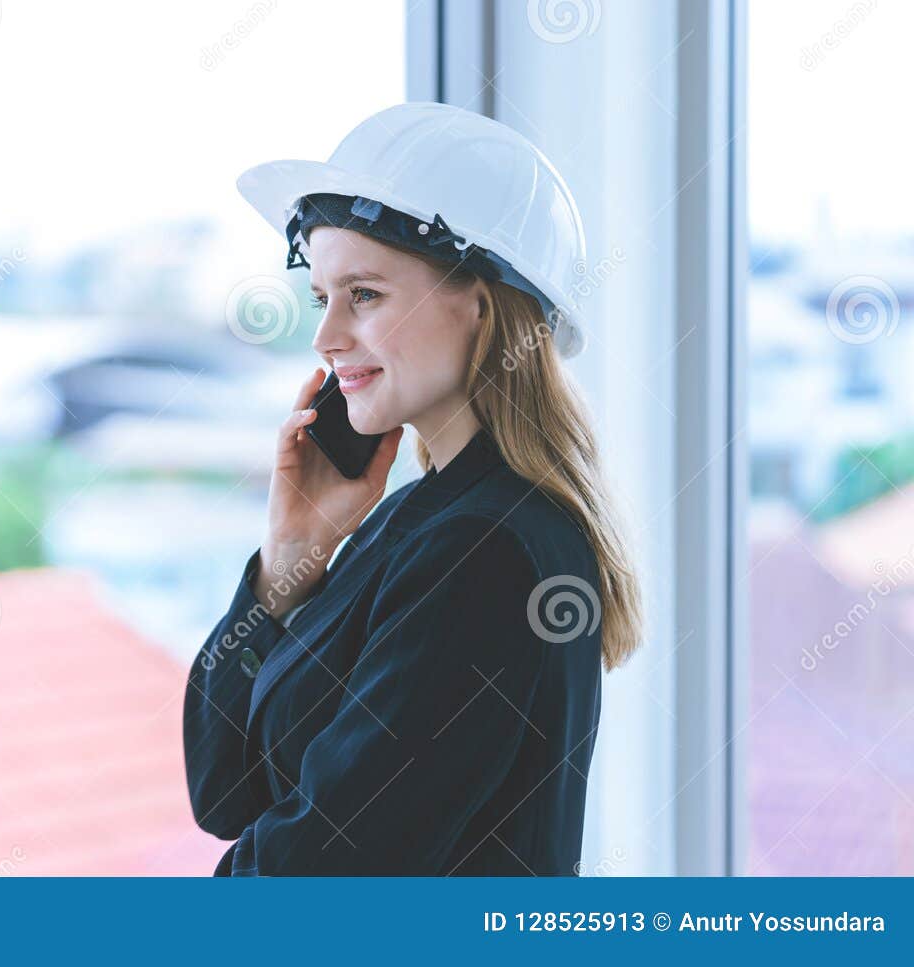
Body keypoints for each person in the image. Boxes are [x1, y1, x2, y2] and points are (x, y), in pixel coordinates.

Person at [183, 102, 644, 876]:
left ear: (480, 303)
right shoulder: (423, 519)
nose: (327, 337)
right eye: (320, 297)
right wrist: (289, 563)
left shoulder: (484, 551)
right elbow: (226, 788)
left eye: (363, 294)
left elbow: (318, 878)